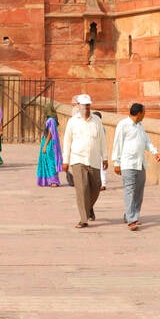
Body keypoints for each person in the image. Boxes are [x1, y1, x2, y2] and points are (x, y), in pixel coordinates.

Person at [111, 102, 160, 230]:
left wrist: (155, 152)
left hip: (140, 164)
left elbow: (146, 142)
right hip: (127, 163)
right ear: (139, 113)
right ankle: (131, 220)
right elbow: (117, 144)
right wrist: (116, 163)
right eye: (144, 112)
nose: (144, 115)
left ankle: (132, 215)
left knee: (138, 192)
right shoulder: (123, 125)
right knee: (129, 190)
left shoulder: (140, 126)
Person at [62, 94, 107, 229]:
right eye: (84, 105)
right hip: (78, 159)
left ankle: (88, 207)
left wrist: (105, 157)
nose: (86, 108)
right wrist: (66, 160)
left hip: (93, 159)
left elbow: (102, 140)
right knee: (82, 189)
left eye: (88, 105)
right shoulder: (72, 122)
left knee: (96, 186)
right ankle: (83, 219)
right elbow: (67, 141)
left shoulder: (96, 121)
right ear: (79, 106)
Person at [35, 115, 63, 186]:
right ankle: (46, 181)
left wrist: (45, 145)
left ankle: (54, 181)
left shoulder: (51, 120)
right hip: (46, 143)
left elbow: (50, 133)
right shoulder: (50, 119)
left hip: (49, 144)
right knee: (45, 162)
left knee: (51, 162)